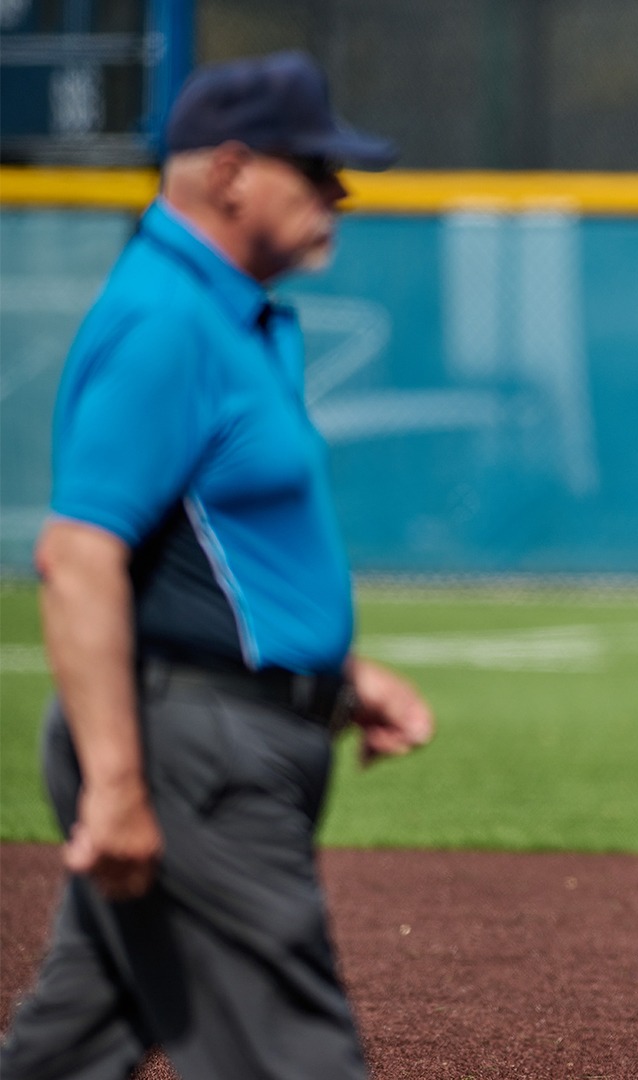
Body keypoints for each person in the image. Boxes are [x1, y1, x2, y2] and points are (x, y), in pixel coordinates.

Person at [0, 51, 433, 1080]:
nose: (341, 193)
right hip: (196, 754)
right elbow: (79, 555)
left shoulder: (234, 315)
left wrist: (333, 676)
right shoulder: (167, 320)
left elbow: (209, 550)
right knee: (298, 1059)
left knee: (78, 1042)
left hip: (216, 730)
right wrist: (115, 786)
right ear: (231, 171)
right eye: (317, 169)